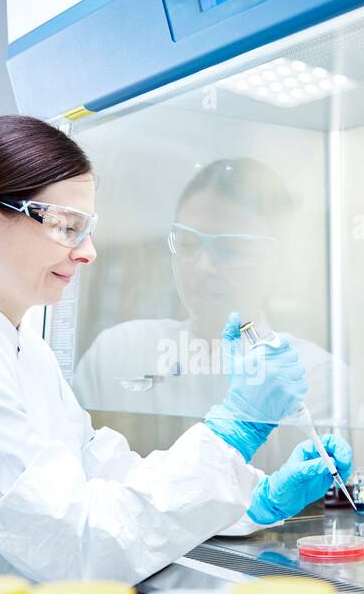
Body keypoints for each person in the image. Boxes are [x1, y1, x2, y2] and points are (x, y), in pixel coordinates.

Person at [0, 116, 352, 594]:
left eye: (87, 229)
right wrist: (236, 430)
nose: (87, 252)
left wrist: (252, 498)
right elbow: (79, 542)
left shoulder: (18, 347)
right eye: (66, 227)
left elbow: (104, 474)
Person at [73, 158, 348, 429]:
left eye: (230, 249)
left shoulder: (312, 376)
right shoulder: (118, 352)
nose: (203, 266)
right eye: (189, 243)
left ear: (276, 260)